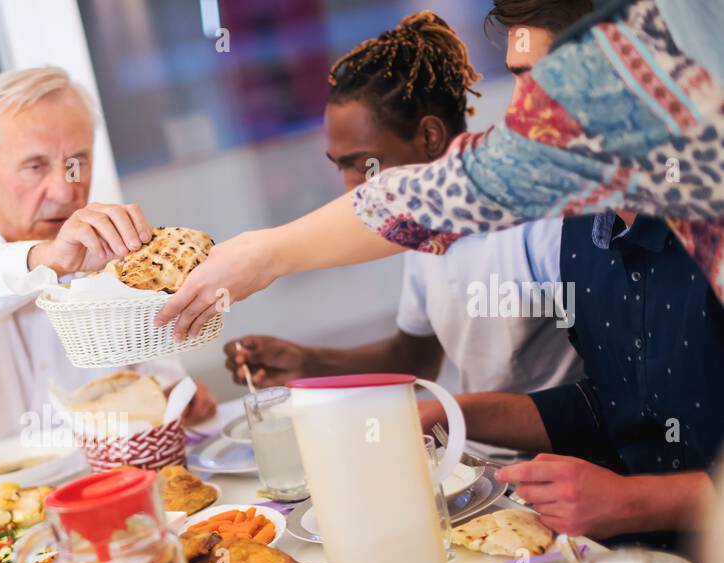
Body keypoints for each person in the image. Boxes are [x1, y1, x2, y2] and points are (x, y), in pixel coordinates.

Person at [161, 0, 724, 338]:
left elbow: (446, 193)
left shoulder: (634, 82)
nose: (524, 112)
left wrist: (262, 254)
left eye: (539, 80)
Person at [226, 9, 586, 400]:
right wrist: (306, 362)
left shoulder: (544, 221)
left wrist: (263, 255)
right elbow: (415, 356)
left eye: (366, 167)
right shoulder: (417, 236)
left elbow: (603, 391)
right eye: (341, 168)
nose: (354, 194)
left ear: (430, 137)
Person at [0, 66, 216, 473]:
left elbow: (159, 381)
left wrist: (177, 398)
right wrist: (45, 258)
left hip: (99, 482)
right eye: (35, 167)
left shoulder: (110, 237)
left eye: (77, 162)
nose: (64, 191)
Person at [418, 209, 721, 547]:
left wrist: (631, 501)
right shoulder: (580, 232)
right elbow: (614, 398)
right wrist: (454, 415)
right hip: (642, 558)